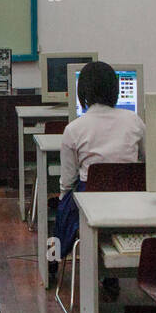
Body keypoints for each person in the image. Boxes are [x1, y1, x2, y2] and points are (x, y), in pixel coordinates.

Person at [51, 61, 145, 279]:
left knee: (62, 211)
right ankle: (111, 278)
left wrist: (65, 207)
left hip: (91, 202)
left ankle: (51, 264)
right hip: (131, 202)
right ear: (116, 89)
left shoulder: (73, 129)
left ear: (82, 92)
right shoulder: (134, 122)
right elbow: (147, 160)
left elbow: (67, 181)